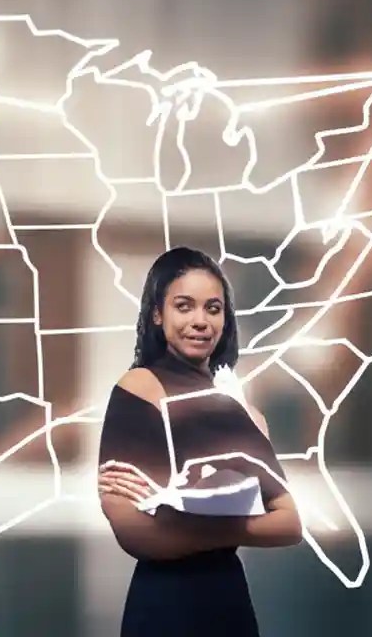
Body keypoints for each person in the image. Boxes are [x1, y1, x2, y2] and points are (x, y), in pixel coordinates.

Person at [96, 246, 302, 636]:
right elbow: (132, 530)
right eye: (184, 306)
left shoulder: (246, 414)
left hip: (229, 603)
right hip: (166, 604)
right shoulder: (141, 388)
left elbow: (289, 523)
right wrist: (239, 524)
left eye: (213, 308)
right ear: (157, 313)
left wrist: (182, 523)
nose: (200, 321)